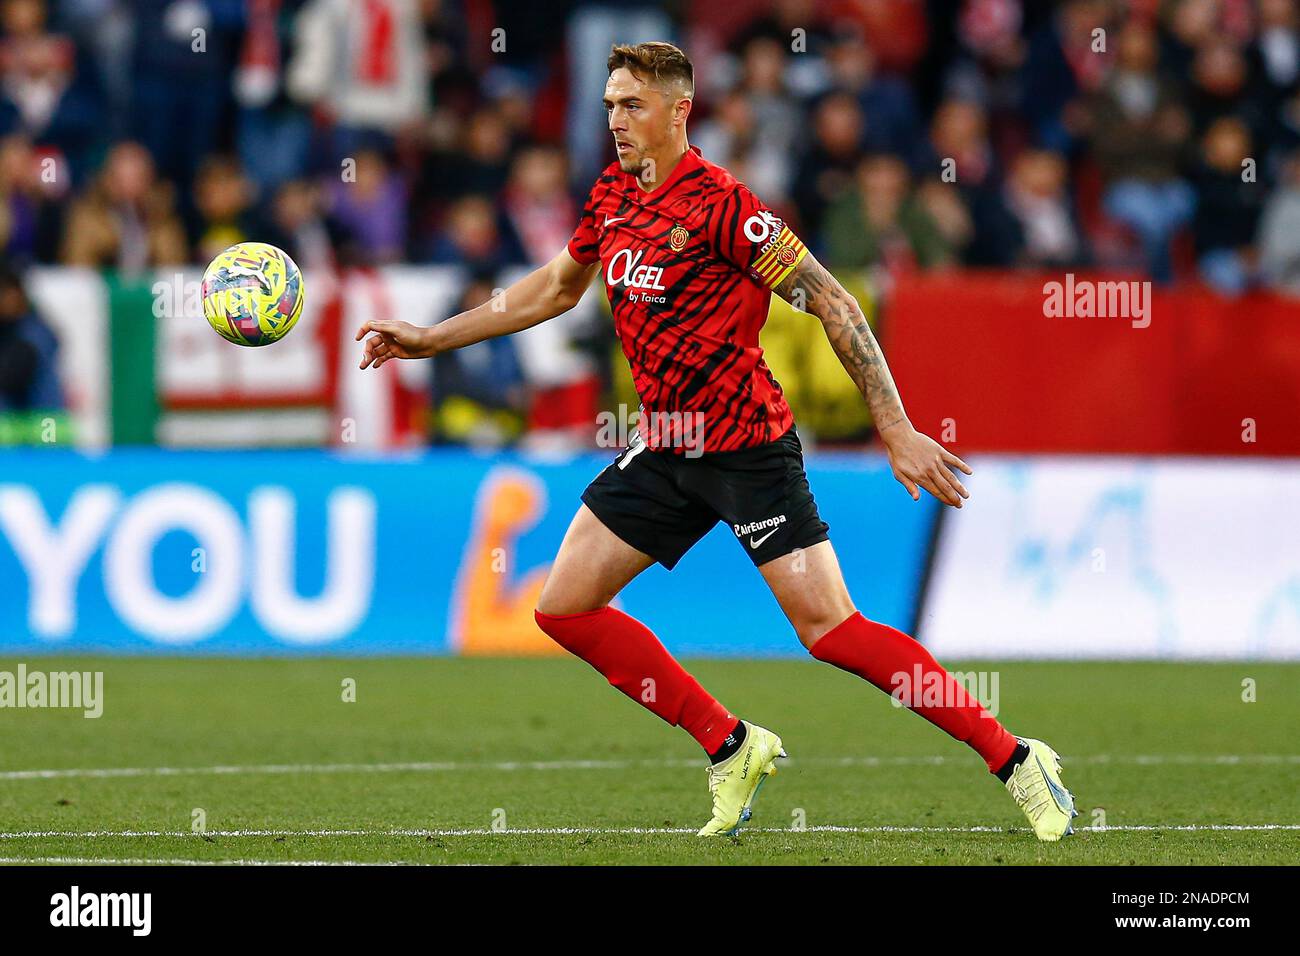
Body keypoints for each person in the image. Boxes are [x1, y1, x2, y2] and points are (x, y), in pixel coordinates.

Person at [354, 42, 1076, 841]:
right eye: (607, 105)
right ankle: (731, 746)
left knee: (831, 631)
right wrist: (429, 338)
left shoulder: (726, 206)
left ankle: (1016, 758)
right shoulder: (613, 196)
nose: (616, 121)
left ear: (678, 110)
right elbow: (556, 287)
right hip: (665, 447)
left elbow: (836, 304)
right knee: (563, 608)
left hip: (747, 450)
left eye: (631, 105)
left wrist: (895, 426)